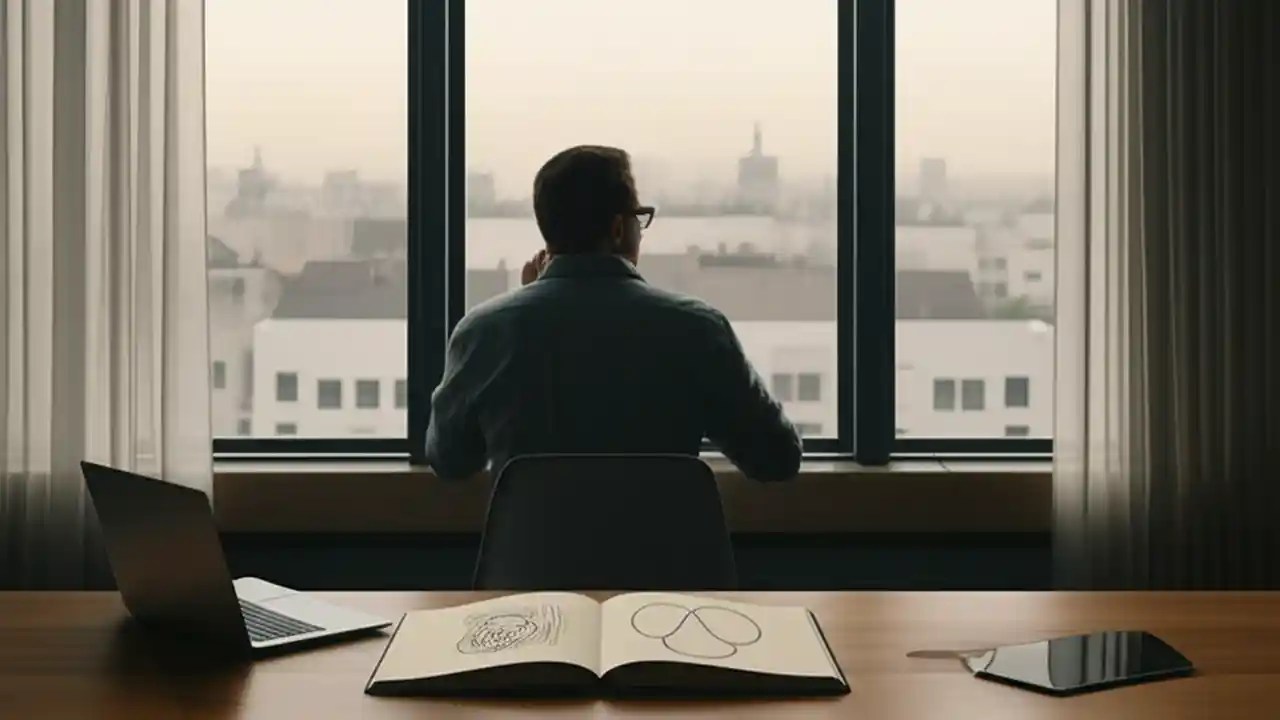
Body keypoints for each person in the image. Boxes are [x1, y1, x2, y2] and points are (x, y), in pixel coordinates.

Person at [425, 145, 802, 481]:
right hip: (664, 559)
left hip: (533, 560)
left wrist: (528, 305)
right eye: (639, 218)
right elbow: (777, 458)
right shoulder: (697, 330)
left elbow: (450, 460)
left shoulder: (485, 332)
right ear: (619, 229)